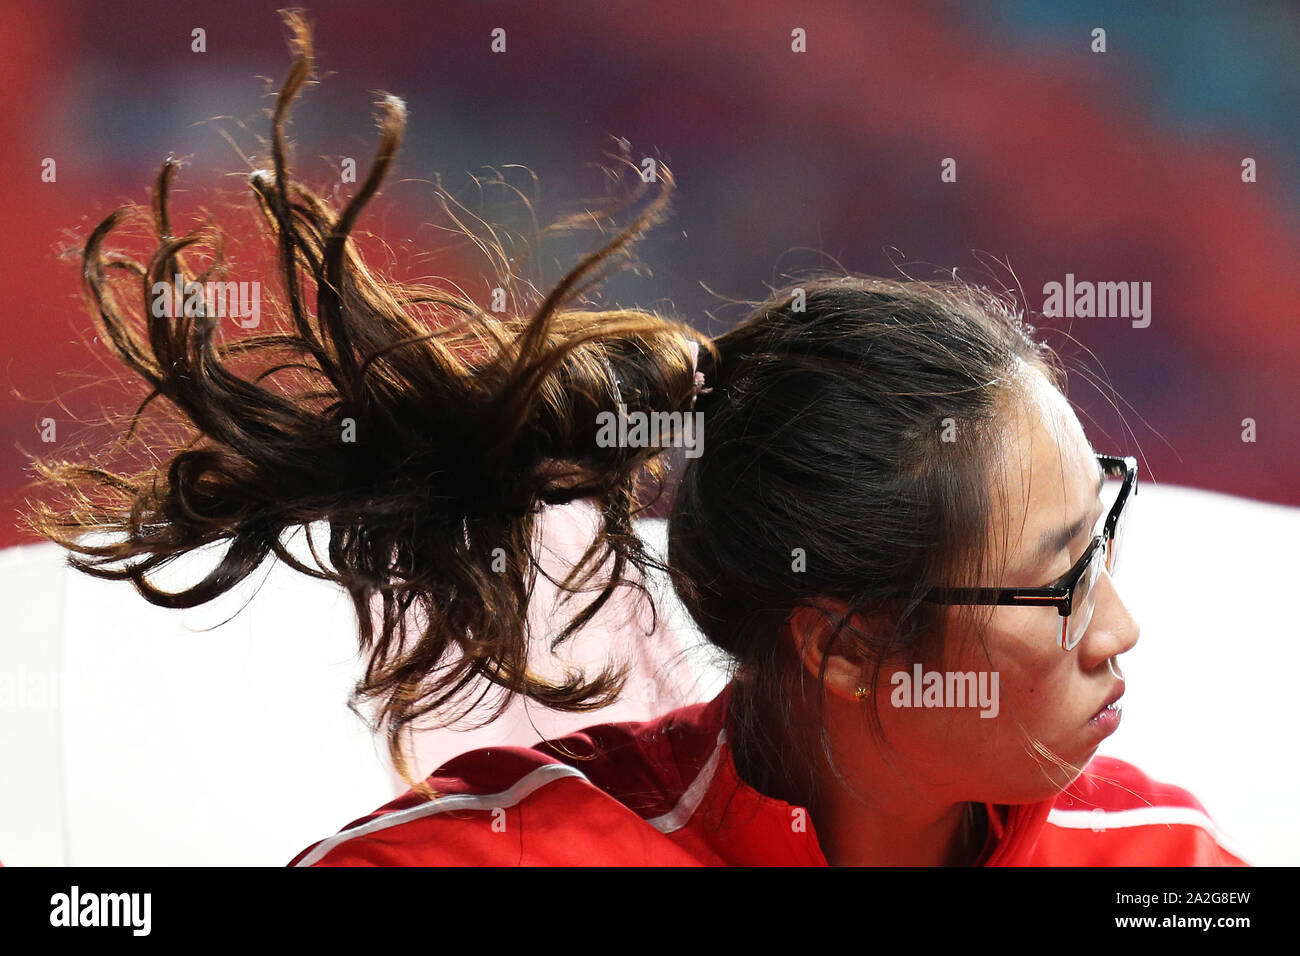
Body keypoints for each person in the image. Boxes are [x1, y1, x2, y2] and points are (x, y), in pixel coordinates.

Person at [28, 11, 1245, 867]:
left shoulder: (1158, 863)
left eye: (1106, 530)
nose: (1120, 628)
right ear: (851, 645)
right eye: (1063, 577)